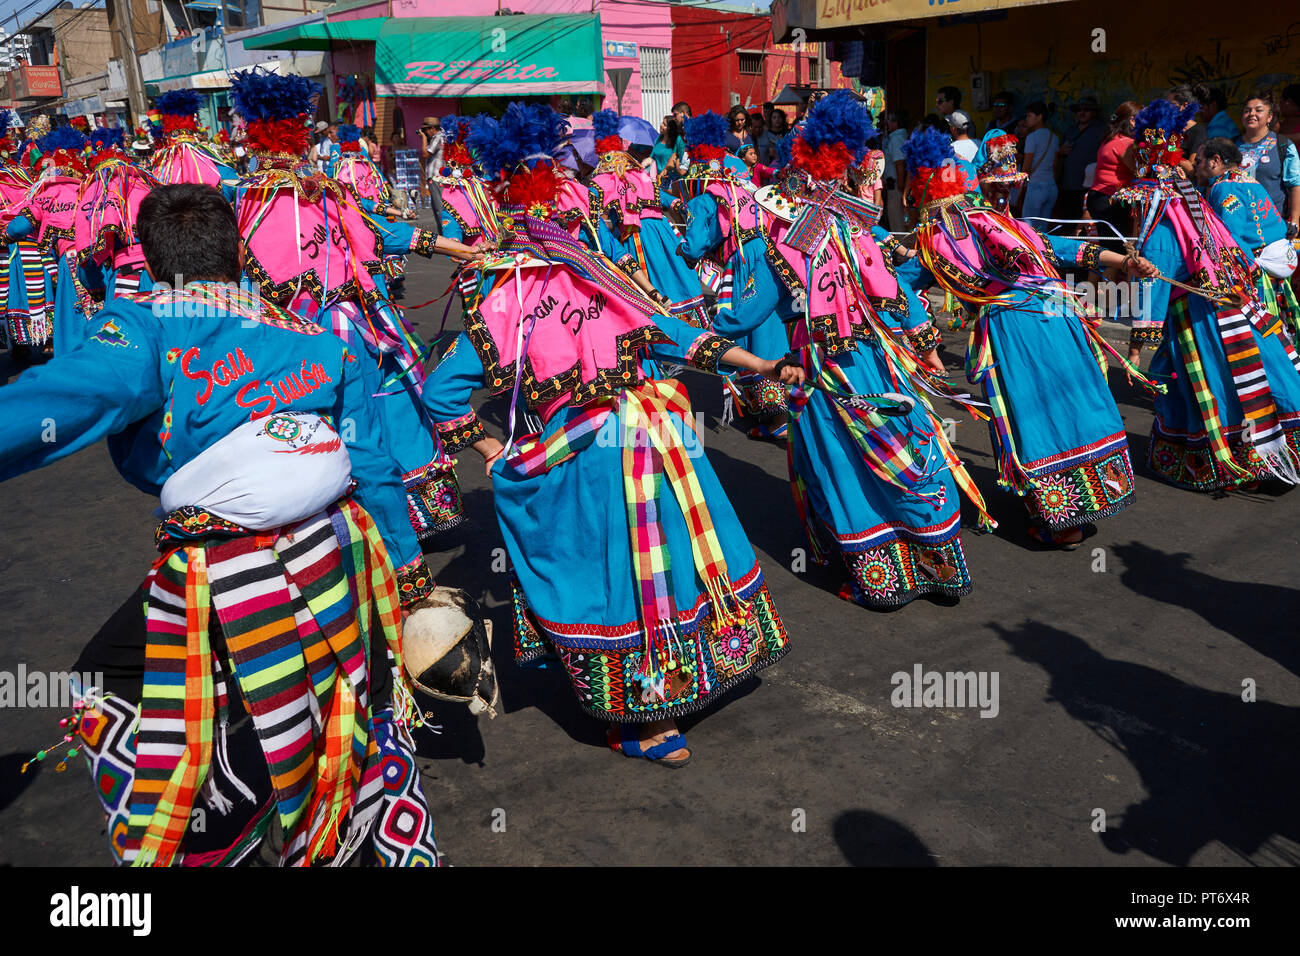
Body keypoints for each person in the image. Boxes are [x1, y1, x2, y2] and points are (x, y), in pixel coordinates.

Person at [1, 183, 443, 866]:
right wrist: (409, 575)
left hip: (222, 566)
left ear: (147, 262)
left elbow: (65, 396)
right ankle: (354, 810)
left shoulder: (145, 328)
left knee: (103, 678)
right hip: (339, 548)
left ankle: (214, 814)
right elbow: (374, 465)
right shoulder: (315, 338)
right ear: (239, 251)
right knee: (364, 688)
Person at [424, 102, 796, 766]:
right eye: (582, 218)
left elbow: (441, 396)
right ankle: (642, 720)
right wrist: (761, 363)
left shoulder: (499, 297)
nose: (590, 228)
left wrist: (496, 451)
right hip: (627, 454)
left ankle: (659, 699)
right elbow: (679, 338)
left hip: (616, 453)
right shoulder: (588, 282)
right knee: (643, 577)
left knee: (635, 578)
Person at [713, 93, 990, 604]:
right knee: (899, 445)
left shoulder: (788, 235)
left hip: (820, 370)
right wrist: (927, 346)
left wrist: (701, 323)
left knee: (843, 462)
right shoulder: (855, 227)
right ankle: (934, 563)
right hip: (875, 359)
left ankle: (880, 577)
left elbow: (747, 313)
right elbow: (893, 290)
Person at [903, 125, 1160, 548]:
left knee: (1034, 417)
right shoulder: (998, 225)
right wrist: (1125, 260)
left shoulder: (935, 239)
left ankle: (1061, 519)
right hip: (1058, 318)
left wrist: (926, 345)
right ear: (971, 184)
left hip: (1014, 334)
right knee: (1075, 404)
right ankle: (1086, 499)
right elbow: (1063, 246)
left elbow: (898, 291)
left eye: (1008, 187)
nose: (1003, 194)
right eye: (995, 187)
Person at [1114, 98, 1300, 492]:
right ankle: (1266, 455)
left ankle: (1237, 462)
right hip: (1236, 299)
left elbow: (1157, 275)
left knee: (1217, 384)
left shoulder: (1166, 210)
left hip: (1200, 316)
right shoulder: (1194, 199)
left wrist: (1136, 347)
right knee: (1253, 378)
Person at [1197, 137, 1300, 342]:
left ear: (1214, 161)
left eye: (1198, 161)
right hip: (1276, 266)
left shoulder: (1224, 187)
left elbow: (1230, 236)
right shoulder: (1250, 180)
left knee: (1260, 339)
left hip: (1257, 274)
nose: (1195, 167)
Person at [1236, 90, 1300, 236]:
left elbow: (1295, 185)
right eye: (1247, 111)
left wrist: (1295, 220)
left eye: (1258, 110)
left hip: (1272, 226)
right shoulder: (1230, 146)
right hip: (1236, 225)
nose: (1251, 114)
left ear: (1269, 117)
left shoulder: (1283, 145)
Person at [1056, 95, 1106, 221]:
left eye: (1086, 110)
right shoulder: (1071, 129)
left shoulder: (1100, 130)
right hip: (1068, 183)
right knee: (1068, 218)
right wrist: (1061, 151)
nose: (1081, 113)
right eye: (1079, 110)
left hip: (1088, 184)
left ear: (1094, 113)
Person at [1018, 101, 1059, 220]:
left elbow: (1026, 167)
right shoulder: (1054, 137)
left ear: (1039, 117)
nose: (1027, 119)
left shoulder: (1032, 137)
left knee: (1029, 228)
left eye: (1029, 116)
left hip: (1036, 187)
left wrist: (1021, 190)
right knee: (1043, 228)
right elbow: (1055, 166)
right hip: (1051, 187)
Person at [883, 109, 910, 230]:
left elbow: (900, 163)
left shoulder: (896, 139)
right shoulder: (900, 136)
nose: (886, 124)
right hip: (896, 184)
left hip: (895, 185)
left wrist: (900, 186)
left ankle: (900, 247)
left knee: (896, 221)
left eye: (888, 121)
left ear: (895, 123)